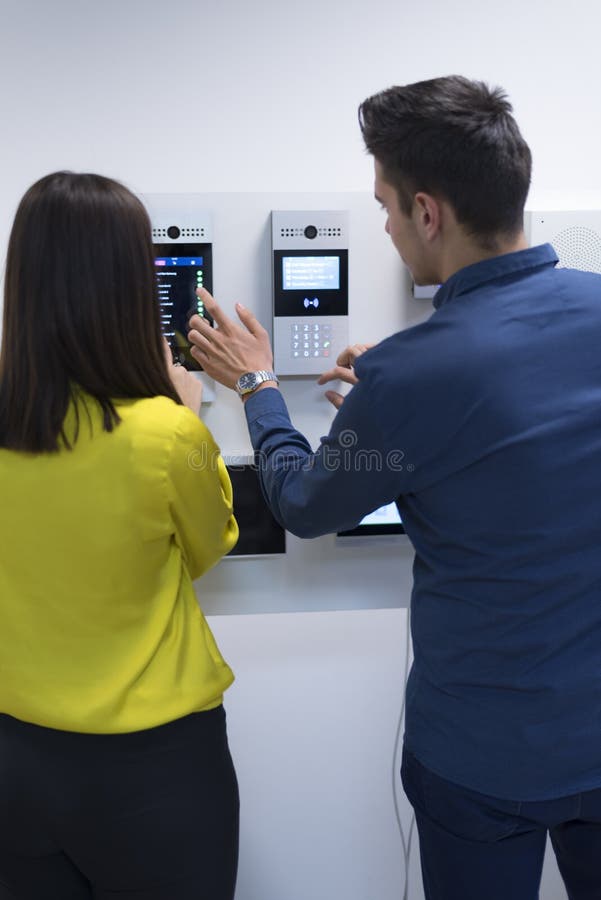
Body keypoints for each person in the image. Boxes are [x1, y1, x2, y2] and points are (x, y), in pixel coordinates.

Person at [186, 76, 601, 899]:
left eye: (382, 206)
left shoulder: (414, 374)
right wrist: (395, 408)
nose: (380, 226)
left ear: (426, 212)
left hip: (479, 760)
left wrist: (259, 388)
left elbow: (303, 506)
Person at [0, 172, 240, 900]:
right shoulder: (166, 433)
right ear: (126, 285)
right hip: (154, 770)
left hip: (15, 757)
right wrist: (191, 414)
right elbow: (210, 544)